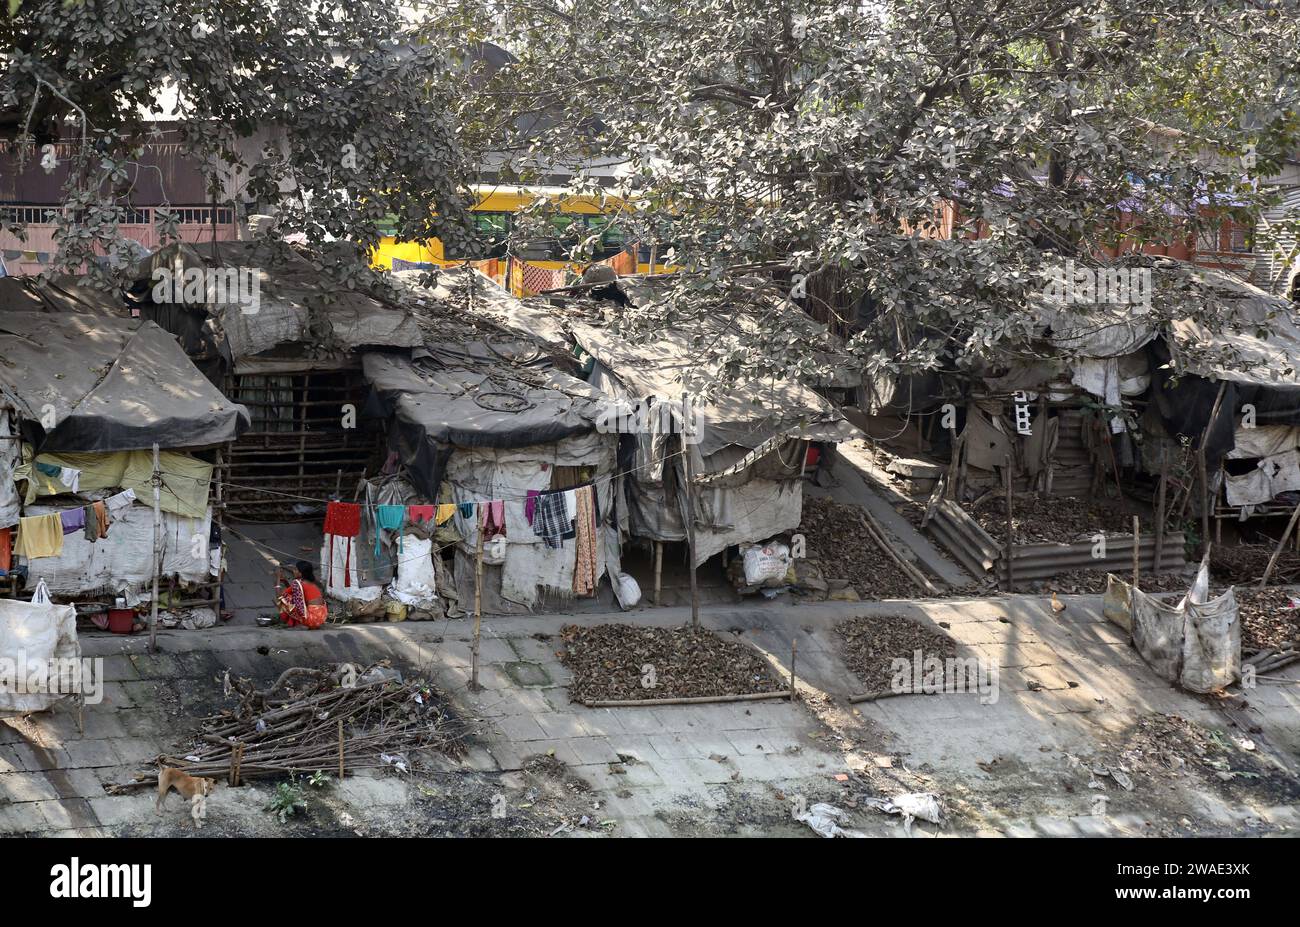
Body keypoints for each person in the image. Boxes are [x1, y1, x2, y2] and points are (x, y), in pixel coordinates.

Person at [275, 561, 328, 629]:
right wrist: (285, 581)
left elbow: (280, 596)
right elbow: (294, 592)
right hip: (321, 617)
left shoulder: (299, 583)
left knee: (282, 601)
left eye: (295, 570)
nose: (294, 571)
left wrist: (278, 578)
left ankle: (300, 623)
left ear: (300, 573)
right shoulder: (310, 583)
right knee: (293, 599)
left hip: (312, 619)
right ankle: (306, 623)